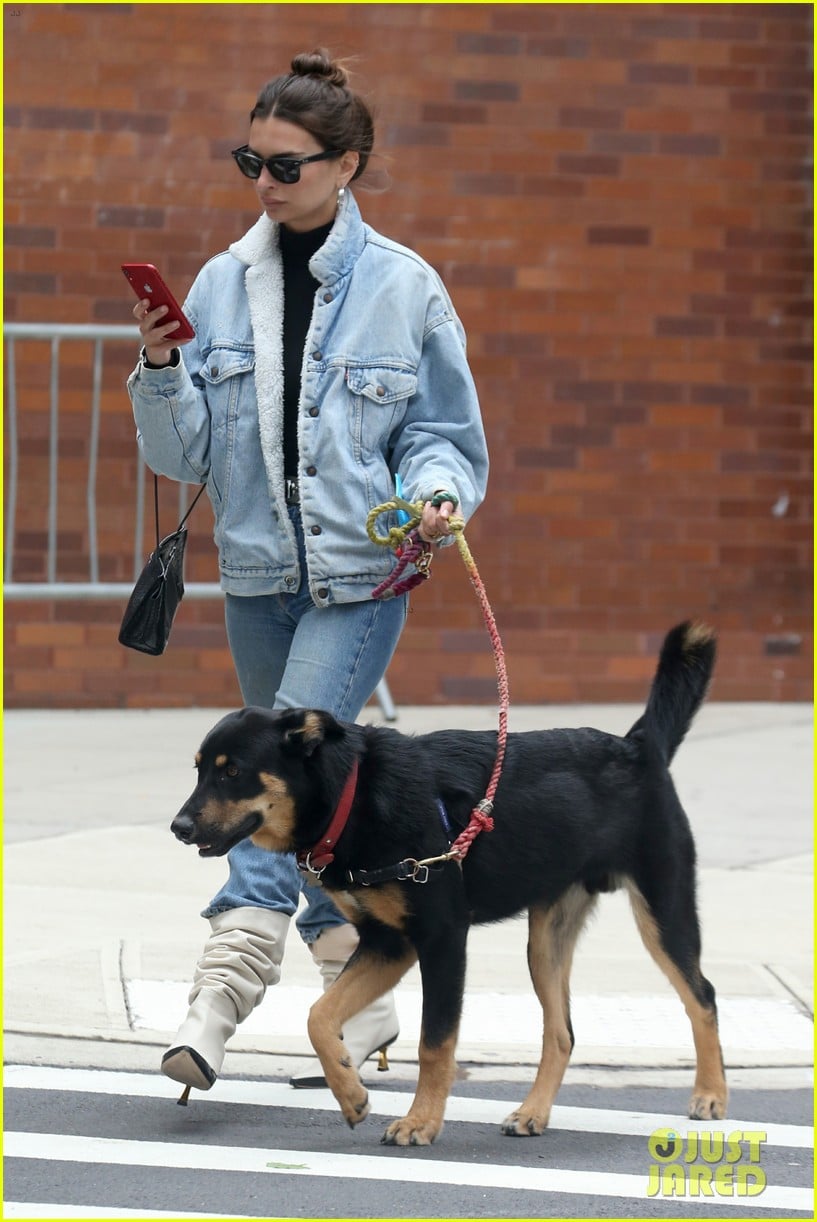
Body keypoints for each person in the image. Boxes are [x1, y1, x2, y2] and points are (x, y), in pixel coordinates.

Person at [126, 48, 489, 1098]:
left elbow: (443, 435)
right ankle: (362, 999)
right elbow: (182, 454)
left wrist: (435, 496)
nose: (265, 183)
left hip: (360, 578)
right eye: (252, 161)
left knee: (267, 781)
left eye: (287, 166)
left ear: (348, 164)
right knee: (322, 800)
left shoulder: (404, 288)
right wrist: (158, 367)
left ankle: (220, 998)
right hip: (254, 575)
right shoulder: (218, 283)